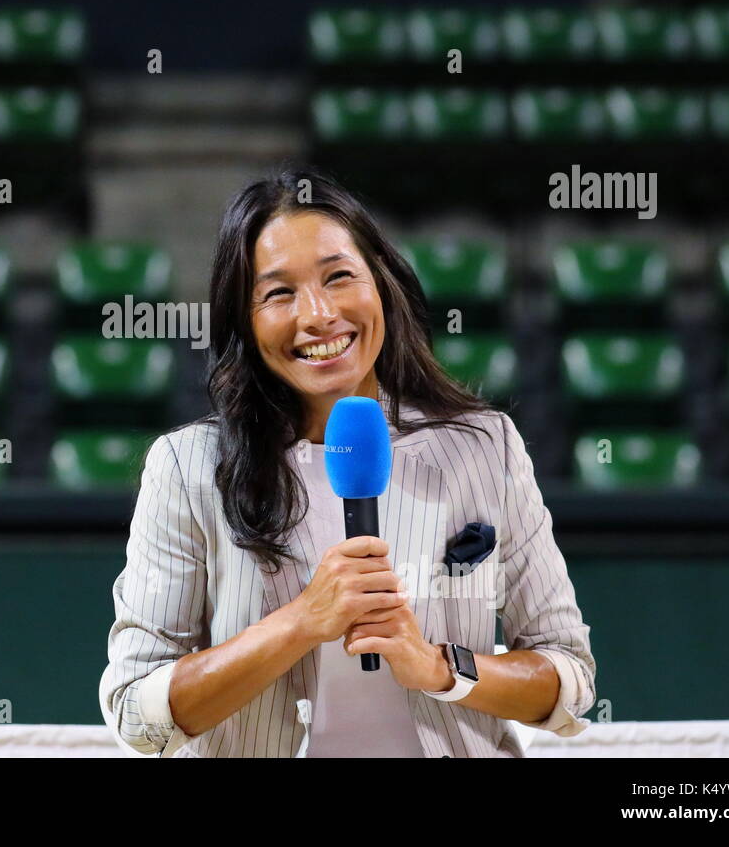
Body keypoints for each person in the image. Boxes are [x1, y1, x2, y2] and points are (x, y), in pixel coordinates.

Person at [99, 165, 596, 757]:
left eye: (339, 277)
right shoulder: (186, 467)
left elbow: (568, 677)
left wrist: (440, 667)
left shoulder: (486, 447)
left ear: (381, 284)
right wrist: (302, 621)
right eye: (279, 293)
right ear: (243, 320)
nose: (317, 315)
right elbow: (137, 712)